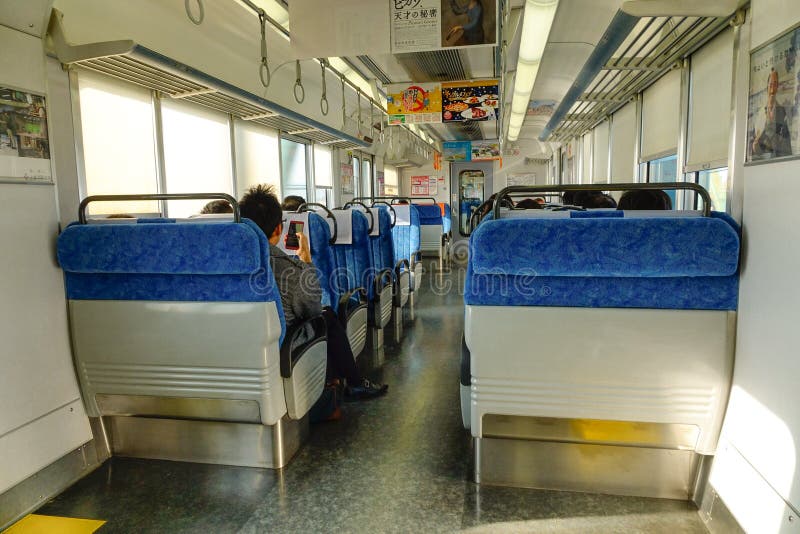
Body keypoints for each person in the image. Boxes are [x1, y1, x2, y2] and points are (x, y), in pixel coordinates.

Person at [239, 184, 387, 403]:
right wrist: (306, 262)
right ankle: (352, 383)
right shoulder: (291, 270)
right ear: (279, 229)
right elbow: (312, 308)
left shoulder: (227, 265)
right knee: (326, 316)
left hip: (235, 341)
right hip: (280, 345)